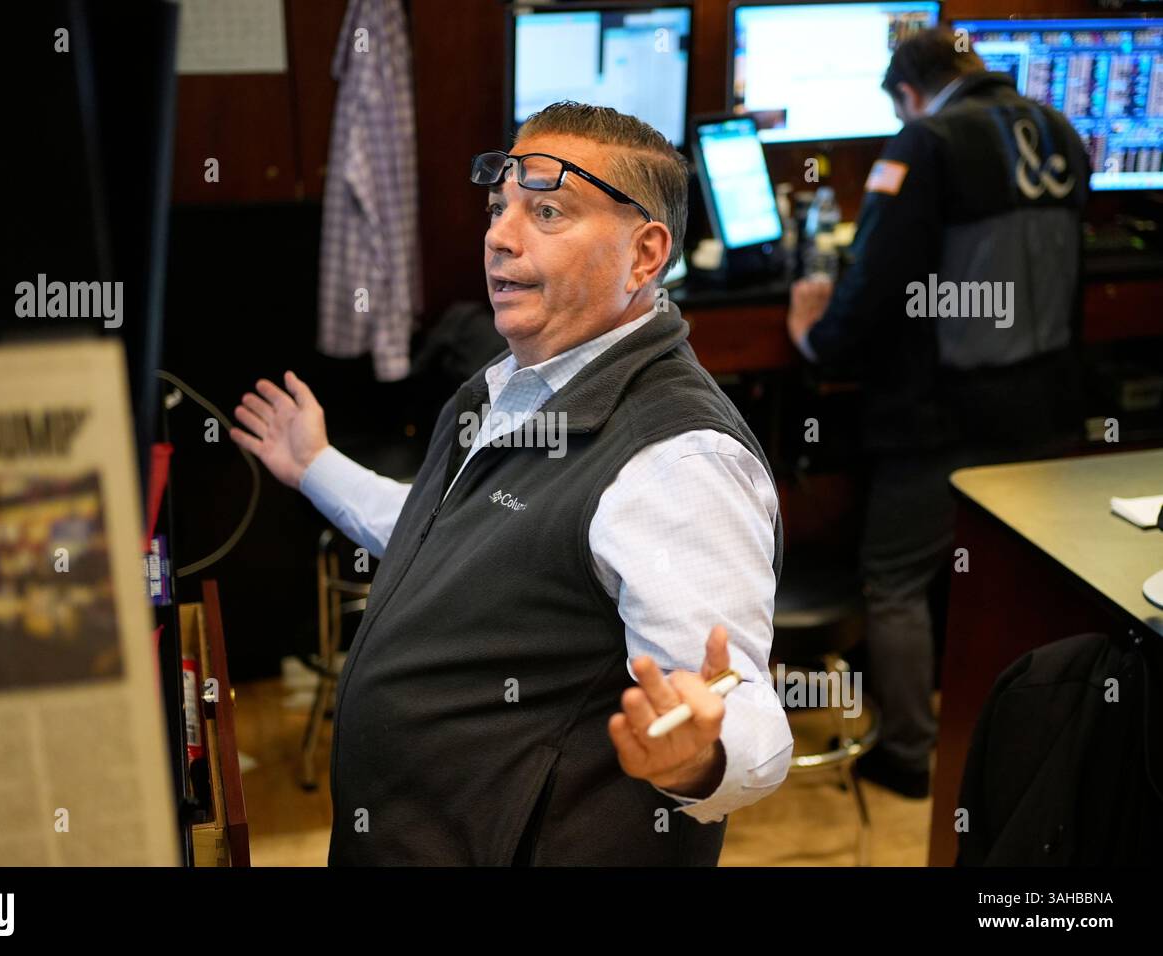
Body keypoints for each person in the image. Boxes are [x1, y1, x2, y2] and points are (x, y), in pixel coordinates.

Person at [231, 102, 793, 865]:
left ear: (645, 253)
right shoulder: (510, 387)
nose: (499, 234)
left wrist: (699, 755)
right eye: (499, 208)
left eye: (548, 212)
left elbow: (745, 709)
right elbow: (459, 541)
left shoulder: (679, 461)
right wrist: (317, 468)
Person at [786, 28, 1089, 798]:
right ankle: (1015, 744)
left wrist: (816, 336)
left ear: (907, 93)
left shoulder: (923, 141)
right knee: (1010, 576)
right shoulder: (1056, 129)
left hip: (944, 413)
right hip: (1045, 402)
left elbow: (880, 284)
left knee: (893, 578)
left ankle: (911, 755)